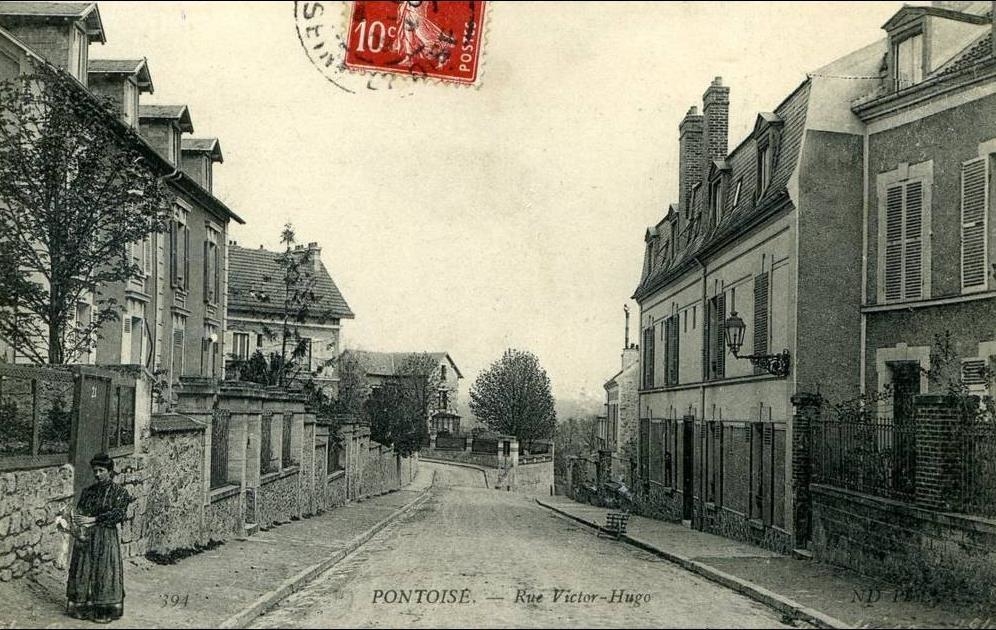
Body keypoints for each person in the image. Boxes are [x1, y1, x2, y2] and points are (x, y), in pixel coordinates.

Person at [67, 453, 133, 623]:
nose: (97, 474)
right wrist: (79, 521)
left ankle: (103, 610)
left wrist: (95, 519)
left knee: (105, 571)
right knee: (84, 569)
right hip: (87, 537)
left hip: (105, 538)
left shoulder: (120, 493)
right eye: (95, 471)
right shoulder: (88, 492)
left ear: (110, 471)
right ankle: (82, 607)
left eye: (101, 470)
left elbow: (118, 514)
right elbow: (80, 511)